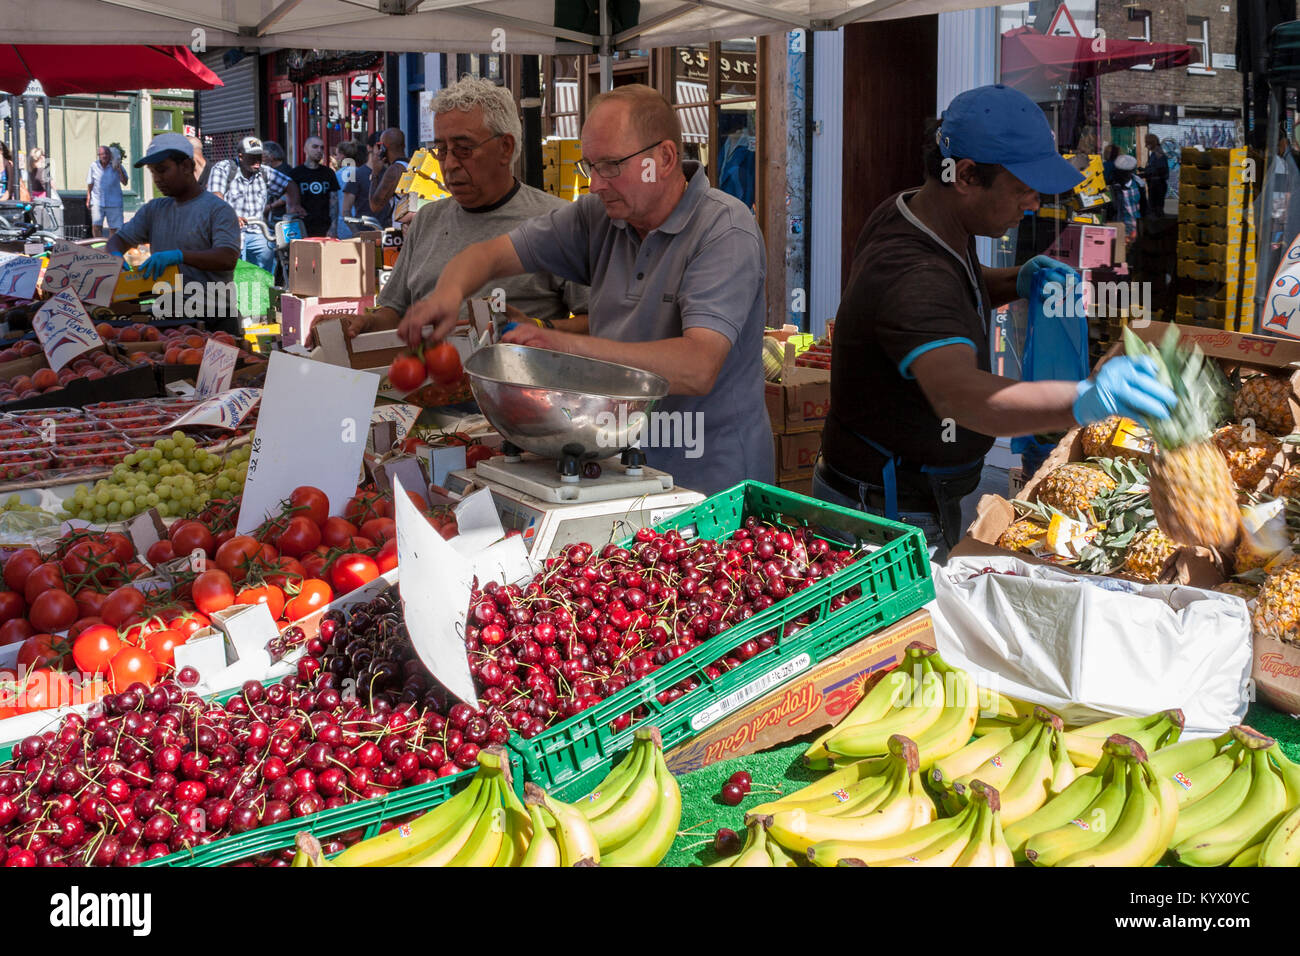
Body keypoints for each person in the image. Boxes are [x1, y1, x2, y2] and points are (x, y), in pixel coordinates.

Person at [814, 84, 1178, 560]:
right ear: (965, 175)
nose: (1032, 205)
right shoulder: (909, 271)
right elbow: (962, 396)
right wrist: (1088, 399)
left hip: (915, 496)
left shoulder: (924, 215)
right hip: (886, 516)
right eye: (1022, 189)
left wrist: (1013, 281)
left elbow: (954, 289)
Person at [397, 84, 772, 496]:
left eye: (610, 165)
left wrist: (559, 344)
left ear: (663, 159)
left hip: (709, 478)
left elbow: (697, 367)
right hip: (619, 466)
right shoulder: (600, 217)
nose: (595, 185)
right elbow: (487, 256)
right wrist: (446, 296)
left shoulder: (724, 230)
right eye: (589, 166)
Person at [332, 76, 589, 344]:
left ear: (505, 148)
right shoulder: (426, 220)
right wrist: (365, 322)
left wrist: (538, 328)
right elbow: (396, 311)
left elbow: (600, 323)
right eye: (441, 150)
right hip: (430, 383)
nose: (450, 164)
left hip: (518, 384)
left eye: (464, 149)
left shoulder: (559, 223)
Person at [106, 134, 241, 335]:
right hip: (168, 314)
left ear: (186, 166)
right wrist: (115, 256)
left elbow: (227, 257)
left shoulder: (218, 210)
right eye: (153, 172)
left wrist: (180, 256)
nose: (157, 179)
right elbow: (118, 240)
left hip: (214, 316)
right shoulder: (154, 209)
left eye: (162, 170)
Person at [206, 136, 305, 274]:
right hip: (231, 231)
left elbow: (290, 185)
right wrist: (231, 215)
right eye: (252, 157)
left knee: (267, 255)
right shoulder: (224, 169)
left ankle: (263, 292)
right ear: (241, 156)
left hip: (258, 231)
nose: (257, 161)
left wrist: (294, 205)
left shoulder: (264, 172)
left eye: (259, 156)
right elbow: (215, 197)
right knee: (234, 273)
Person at [290, 136, 339, 238]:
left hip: (324, 227)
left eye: (322, 148)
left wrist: (333, 227)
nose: (319, 150)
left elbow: (334, 202)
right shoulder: (295, 174)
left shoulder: (329, 173)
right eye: (315, 147)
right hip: (301, 227)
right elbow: (289, 203)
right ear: (305, 149)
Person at [345, 132, 387, 228]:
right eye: (379, 146)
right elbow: (346, 210)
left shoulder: (389, 172)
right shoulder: (356, 174)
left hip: (388, 232)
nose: (382, 150)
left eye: (385, 147)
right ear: (369, 148)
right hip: (365, 231)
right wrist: (356, 232)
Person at [368, 127, 410, 222]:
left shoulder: (394, 170)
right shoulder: (410, 164)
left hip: (402, 229)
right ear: (403, 145)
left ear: (383, 148)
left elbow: (375, 206)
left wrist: (375, 173)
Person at [86, 145, 128, 238]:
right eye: (101, 154)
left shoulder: (116, 165)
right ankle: (99, 248)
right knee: (96, 226)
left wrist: (119, 168)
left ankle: (110, 248)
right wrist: (88, 197)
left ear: (110, 155)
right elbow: (90, 183)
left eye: (106, 154)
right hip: (97, 201)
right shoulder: (94, 166)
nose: (104, 156)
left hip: (114, 202)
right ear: (98, 155)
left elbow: (125, 182)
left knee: (114, 228)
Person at [1113, 153, 1145, 243]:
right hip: (1119, 226)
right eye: (1121, 173)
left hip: (1135, 226)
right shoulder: (1114, 187)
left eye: (1125, 174)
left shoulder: (1139, 185)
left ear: (1130, 173)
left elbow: (1144, 206)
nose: (1123, 177)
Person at [334, 140, 360, 239]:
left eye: (337, 155)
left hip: (343, 222)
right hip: (359, 219)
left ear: (342, 155)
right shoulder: (359, 172)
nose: (336, 158)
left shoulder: (338, 175)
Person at [1143, 133, 1169, 217]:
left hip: (1157, 185)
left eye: (1147, 144)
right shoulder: (1155, 153)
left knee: (1156, 209)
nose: (1146, 146)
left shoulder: (1158, 153)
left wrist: (1148, 173)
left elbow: (1161, 169)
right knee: (1155, 209)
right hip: (1155, 184)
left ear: (1151, 143)